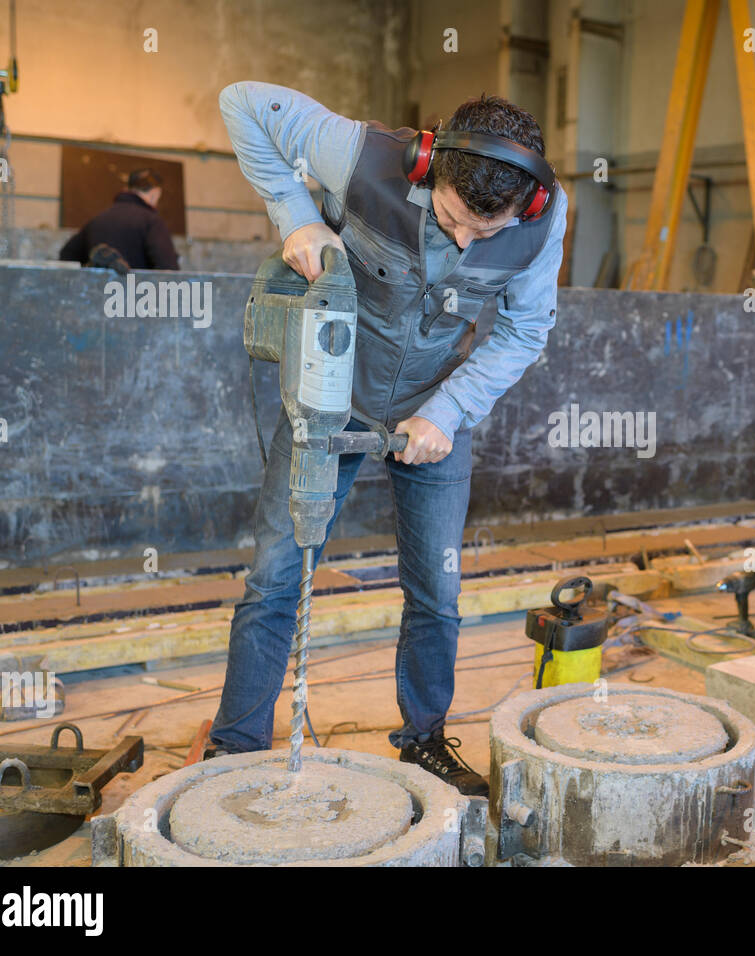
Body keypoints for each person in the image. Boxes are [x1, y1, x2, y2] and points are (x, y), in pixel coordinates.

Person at [205, 81, 567, 797]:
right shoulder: (362, 155)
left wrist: (448, 411)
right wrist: (295, 217)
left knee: (436, 588)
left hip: (433, 409)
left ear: (522, 206)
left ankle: (424, 740)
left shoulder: (542, 218)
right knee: (276, 577)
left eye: (484, 233)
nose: (466, 240)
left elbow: (526, 329)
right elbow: (240, 100)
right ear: (430, 163)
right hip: (326, 400)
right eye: (455, 218)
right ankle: (234, 749)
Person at [58, 168, 179, 271]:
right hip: (136, 295)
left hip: (97, 294)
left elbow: (66, 256)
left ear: (128, 188)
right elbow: (168, 270)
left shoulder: (97, 220)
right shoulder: (152, 221)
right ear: (154, 193)